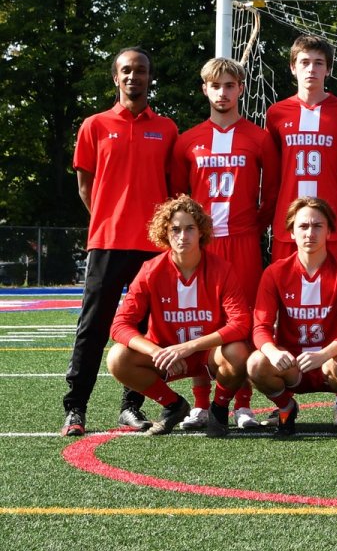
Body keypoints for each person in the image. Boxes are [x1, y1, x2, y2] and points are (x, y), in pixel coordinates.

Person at [63, 47, 180, 436]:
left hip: (154, 248)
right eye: (126, 70)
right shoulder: (94, 125)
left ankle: (131, 407)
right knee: (93, 327)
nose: (134, 76)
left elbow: (172, 188)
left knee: (144, 333)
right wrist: (110, 217)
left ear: (149, 77)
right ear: (116, 77)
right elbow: (85, 186)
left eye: (140, 70)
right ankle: (75, 408)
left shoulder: (167, 129)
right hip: (108, 242)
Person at [171, 57, 279, 430]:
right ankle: (202, 404)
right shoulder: (187, 140)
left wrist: (252, 228)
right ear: (205, 89)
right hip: (200, 247)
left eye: (229, 85)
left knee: (242, 322)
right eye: (215, 86)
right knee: (202, 321)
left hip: (243, 242)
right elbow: (178, 198)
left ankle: (243, 406)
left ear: (241, 89)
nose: (222, 93)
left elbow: (272, 194)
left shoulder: (259, 138)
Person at [105, 196, 250, 436]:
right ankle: (173, 405)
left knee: (238, 351)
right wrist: (156, 351)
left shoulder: (221, 269)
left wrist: (189, 347)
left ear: (201, 231)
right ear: (165, 232)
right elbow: (120, 325)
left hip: (207, 356)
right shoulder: (150, 271)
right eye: (175, 229)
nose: (183, 236)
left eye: (190, 228)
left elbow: (241, 323)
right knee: (117, 357)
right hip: (167, 357)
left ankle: (219, 408)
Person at [247, 198, 337, 436]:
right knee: (256, 363)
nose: (310, 233)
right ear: (291, 232)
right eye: (303, 226)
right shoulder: (275, 273)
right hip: (293, 365)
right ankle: (286, 407)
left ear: (329, 231)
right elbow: (260, 328)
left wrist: (324, 354)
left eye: (317, 226)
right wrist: (274, 353)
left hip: (331, 362)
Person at [266, 35, 337, 262]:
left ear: (328, 69)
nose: (311, 69)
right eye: (304, 62)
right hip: (289, 222)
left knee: (336, 282)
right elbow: (272, 171)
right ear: (293, 67)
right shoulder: (276, 113)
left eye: (319, 63)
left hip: (333, 222)